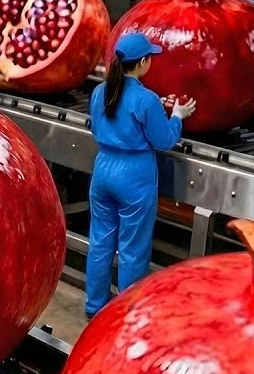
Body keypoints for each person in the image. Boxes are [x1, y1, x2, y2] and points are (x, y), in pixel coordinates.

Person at [84, 32, 196, 318]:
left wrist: (155, 105)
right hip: (134, 175)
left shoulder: (101, 91)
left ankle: (95, 307)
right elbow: (163, 141)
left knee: (100, 242)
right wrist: (177, 117)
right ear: (143, 62)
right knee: (132, 248)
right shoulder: (146, 100)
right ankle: (127, 313)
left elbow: (101, 123)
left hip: (103, 168)